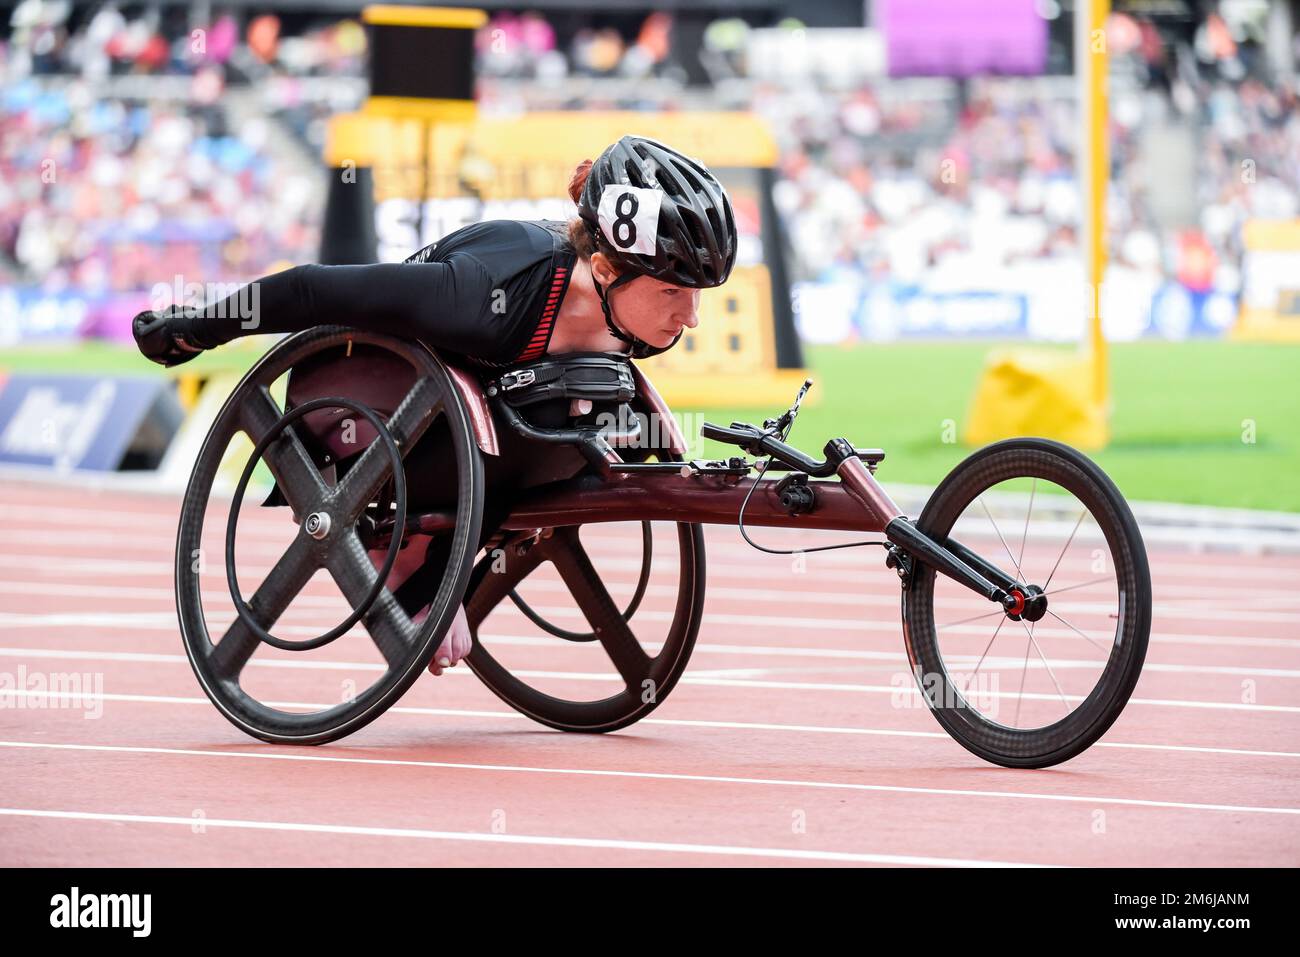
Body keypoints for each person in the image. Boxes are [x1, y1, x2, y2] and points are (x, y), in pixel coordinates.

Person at [135, 134, 737, 674]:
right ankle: (403, 563)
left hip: (465, 415)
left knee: (594, 419)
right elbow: (313, 287)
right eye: (672, 293)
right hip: (356, 405)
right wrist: (196, 328)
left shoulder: (636, 324)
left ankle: (429, 567)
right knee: (550, 422)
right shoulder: (483, 295)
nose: (691, 317)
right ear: (604, 270)